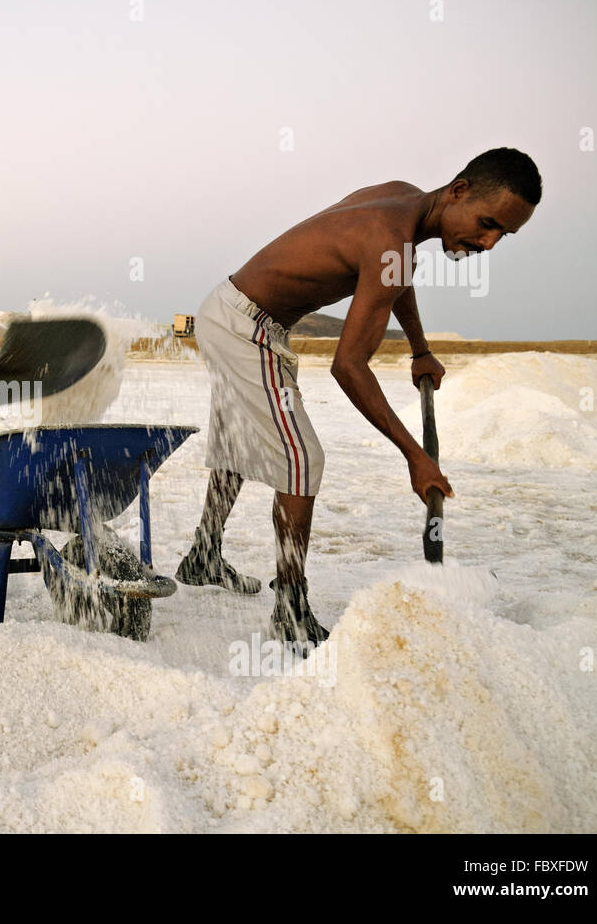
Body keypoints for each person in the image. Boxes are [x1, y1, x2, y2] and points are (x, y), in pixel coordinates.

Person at [177, 148, 540, 651]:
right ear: (459, 190)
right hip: (246, 327)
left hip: (231, 311)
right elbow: (348, 366)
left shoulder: (402, 203)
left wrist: (420, 349)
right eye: (486, 223)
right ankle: (290, 607)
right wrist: (416, 456)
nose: (489, 241)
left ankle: (203, 555)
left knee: (246, 437)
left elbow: (395, 280)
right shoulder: (390, 237)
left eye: (503, 234)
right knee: (302, 459)